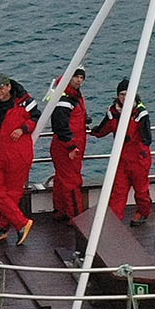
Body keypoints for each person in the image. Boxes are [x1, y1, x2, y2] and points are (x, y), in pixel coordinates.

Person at [0, 77, 39, 244]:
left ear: (9, 87)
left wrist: (23, 129)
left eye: (3, 88)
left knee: (12, 193)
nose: (0, 92)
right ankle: (21, 223)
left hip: (19, 152)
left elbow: (36, 118)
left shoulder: (25, 101)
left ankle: (3, 228)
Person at [92, 80, 155, 226]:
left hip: (138, 158)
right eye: (121, 94)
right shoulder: (112, 112)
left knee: (141, 191)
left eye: (127, 94)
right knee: (118, 192)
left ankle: (143, 212)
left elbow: (146, 139)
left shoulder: (141, 113)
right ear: (117, 95)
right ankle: (114, 221)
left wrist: (128, 137)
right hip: (122, 159)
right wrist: (91, 131)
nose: (124, 97)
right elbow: (103, 129)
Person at [48, 69, 90, 221]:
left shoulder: (71, 96)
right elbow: (60, 125)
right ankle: (76, 217)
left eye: (81, 78)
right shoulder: (67, 99)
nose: (79, 80)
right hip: (68, 147)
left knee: (61, 179)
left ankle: (61, 211)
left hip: (66, 145)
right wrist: (71, 146)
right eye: (76, 77)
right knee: (72, 182)